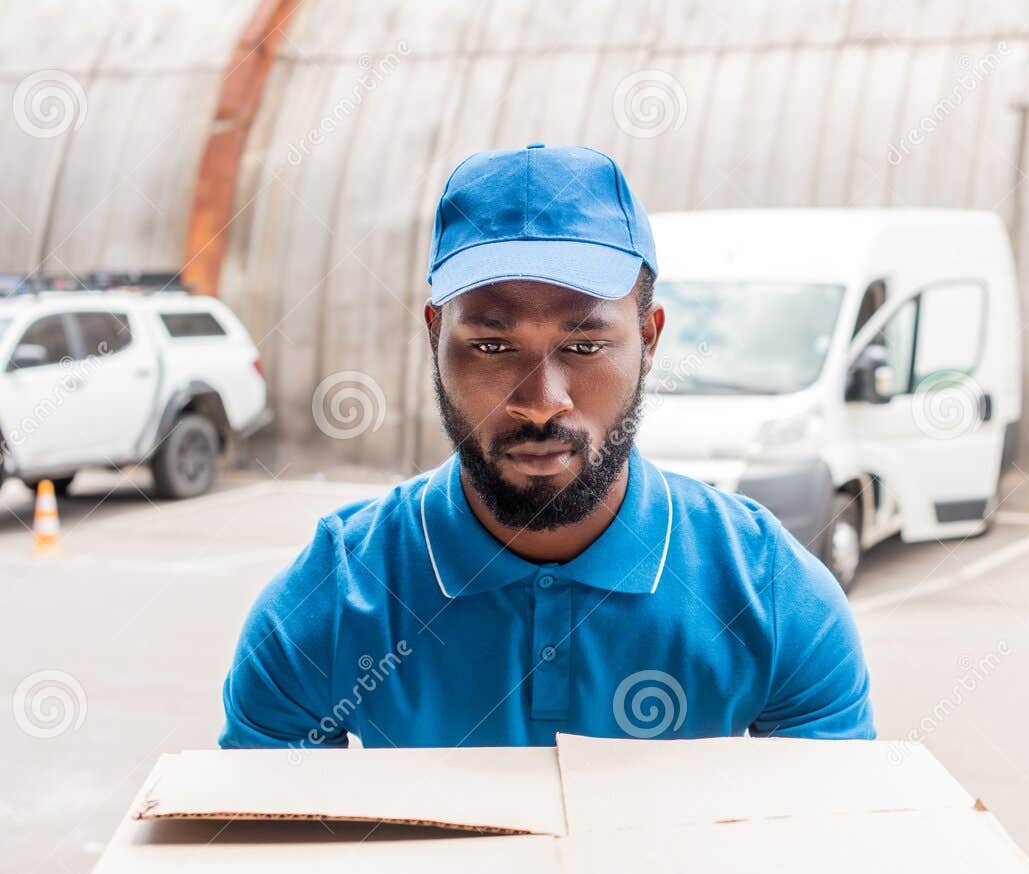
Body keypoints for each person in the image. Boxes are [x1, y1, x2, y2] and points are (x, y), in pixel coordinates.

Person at [220, 144, 873, 748]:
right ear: (434, 339)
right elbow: (263, 855)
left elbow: (825, 846)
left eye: (584, 346)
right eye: (492, 346)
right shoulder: (332, 601)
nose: (539, 402)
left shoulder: (772, 597)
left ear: (649, 340)